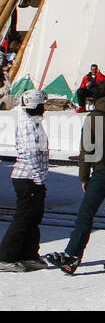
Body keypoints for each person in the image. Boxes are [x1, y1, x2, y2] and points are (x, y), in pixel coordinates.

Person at [45, 78, 105, 275]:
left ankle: (72, 256)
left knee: (86, 214)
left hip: (102, 170)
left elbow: (88, 150)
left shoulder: (96, 116)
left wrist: (84, 176)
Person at [0, 89, 50, 272]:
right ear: (35, 106)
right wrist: (38, 179)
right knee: (23, 218)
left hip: (32, 178)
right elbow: (30, 154)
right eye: (42, 105)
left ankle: (28, 254)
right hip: (27, 178)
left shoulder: (33, 123)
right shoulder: (28, 125)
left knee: (33, 217)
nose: (44, 108)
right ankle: (5, 256)